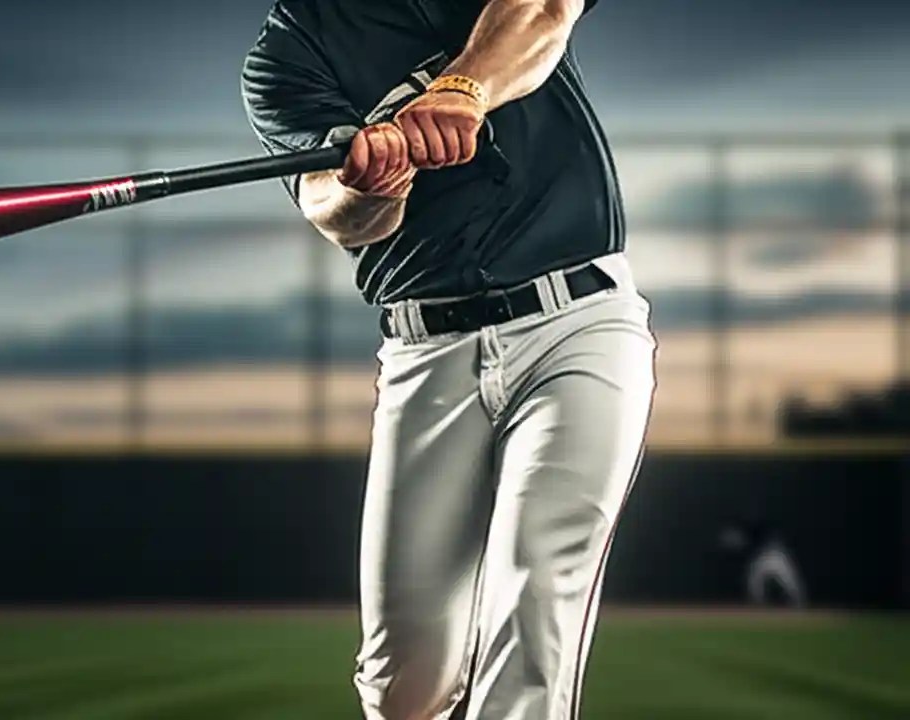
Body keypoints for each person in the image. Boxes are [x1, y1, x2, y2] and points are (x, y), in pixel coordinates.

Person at [241, 1, 656, 718]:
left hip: (578, 323)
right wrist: (368, 184)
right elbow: (330, 210)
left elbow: (544, 13)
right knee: (403, 684)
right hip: (425, 353)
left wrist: (461, 90)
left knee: (533, 603)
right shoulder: (285, 53)